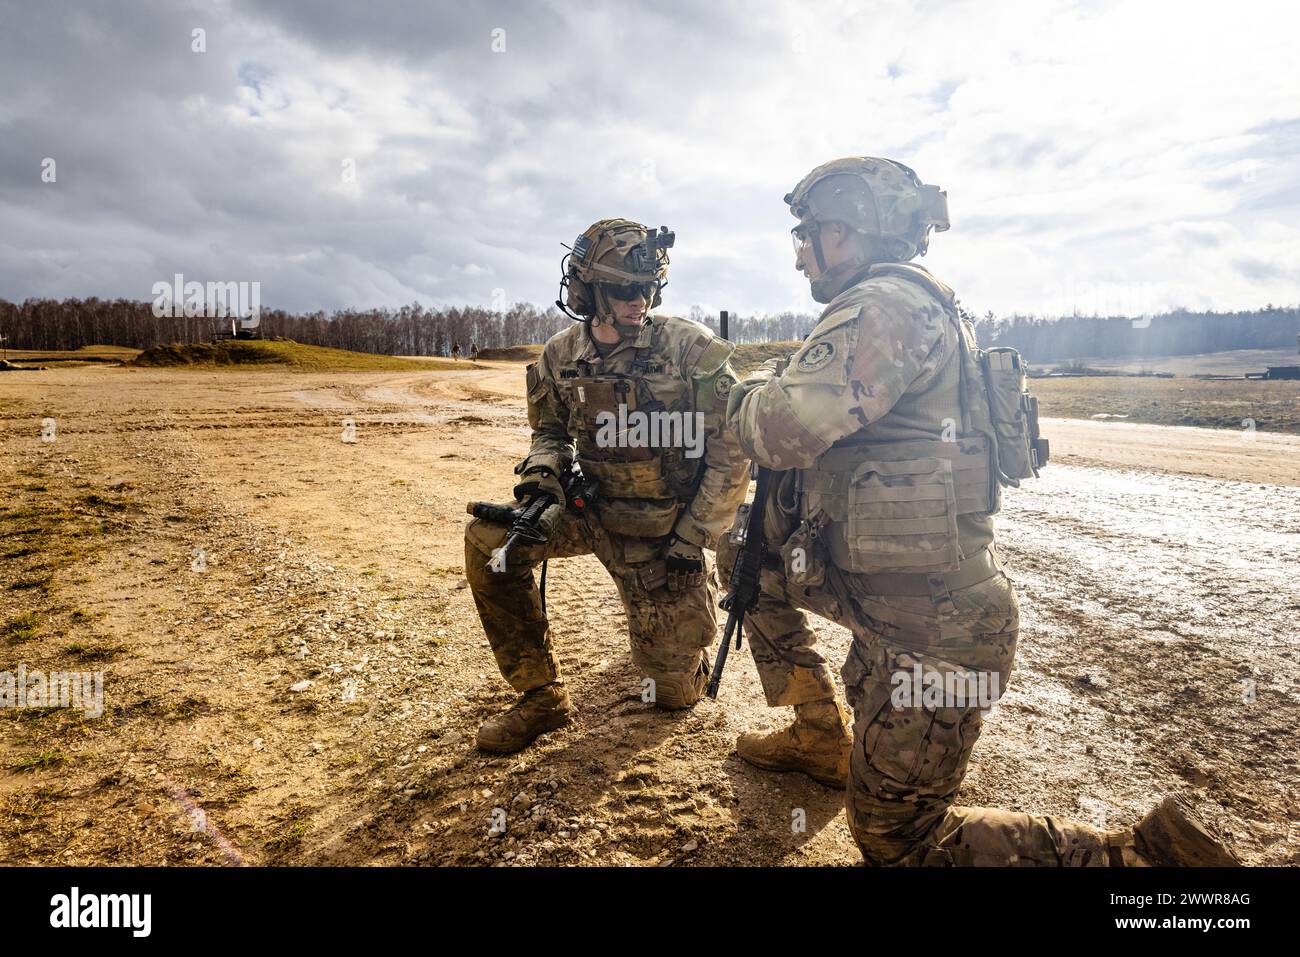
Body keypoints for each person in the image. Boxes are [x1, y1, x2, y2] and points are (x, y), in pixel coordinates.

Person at [721, 156, 1239, 866]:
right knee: (747, 557)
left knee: (895, 845)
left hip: (938, 634)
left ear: (856, 232)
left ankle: (1141, 862)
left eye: (815, 234)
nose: (803, 252)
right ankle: (819, 735)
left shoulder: (885, 306)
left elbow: (780, 428)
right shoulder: (912, 302)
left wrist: (743, 390)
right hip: (888, 599)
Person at [465, 218, 749, 753]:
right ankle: (541, 696)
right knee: (489, 542)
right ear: (588, 289)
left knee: (670, 696)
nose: (639, 300)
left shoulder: (691, 349)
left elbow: (731, 456)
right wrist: (541, 486)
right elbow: (549, 431)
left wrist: (694, 540)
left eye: (648, 288)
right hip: (593, 512)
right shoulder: (559, 355)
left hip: (666, 536)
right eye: (624, 289)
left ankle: (677, 635)